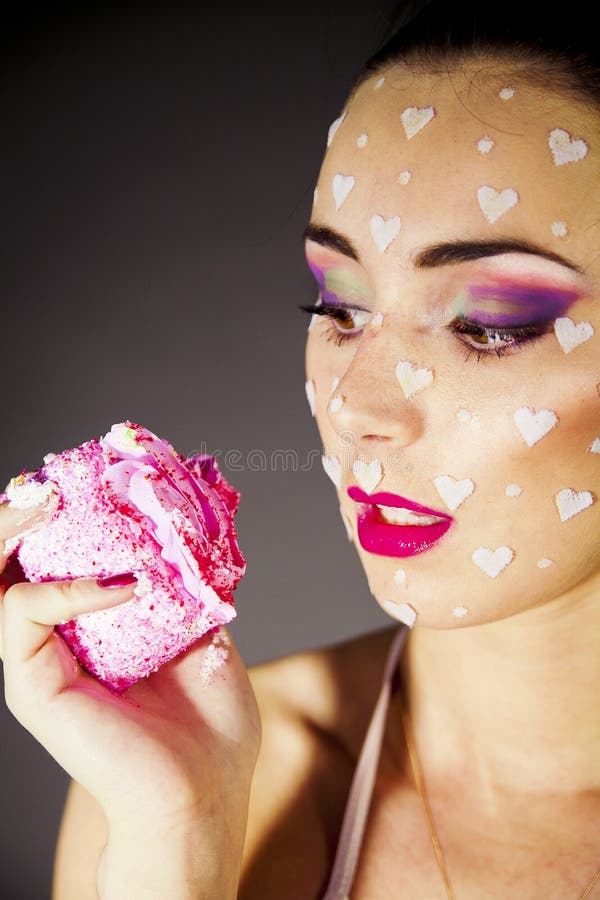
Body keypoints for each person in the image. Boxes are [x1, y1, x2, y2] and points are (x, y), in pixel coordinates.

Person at [2, 1, 600, 896]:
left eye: (488, 324)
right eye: (339, 307)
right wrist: (181, 850)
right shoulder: (204, 784)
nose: (359, 407)